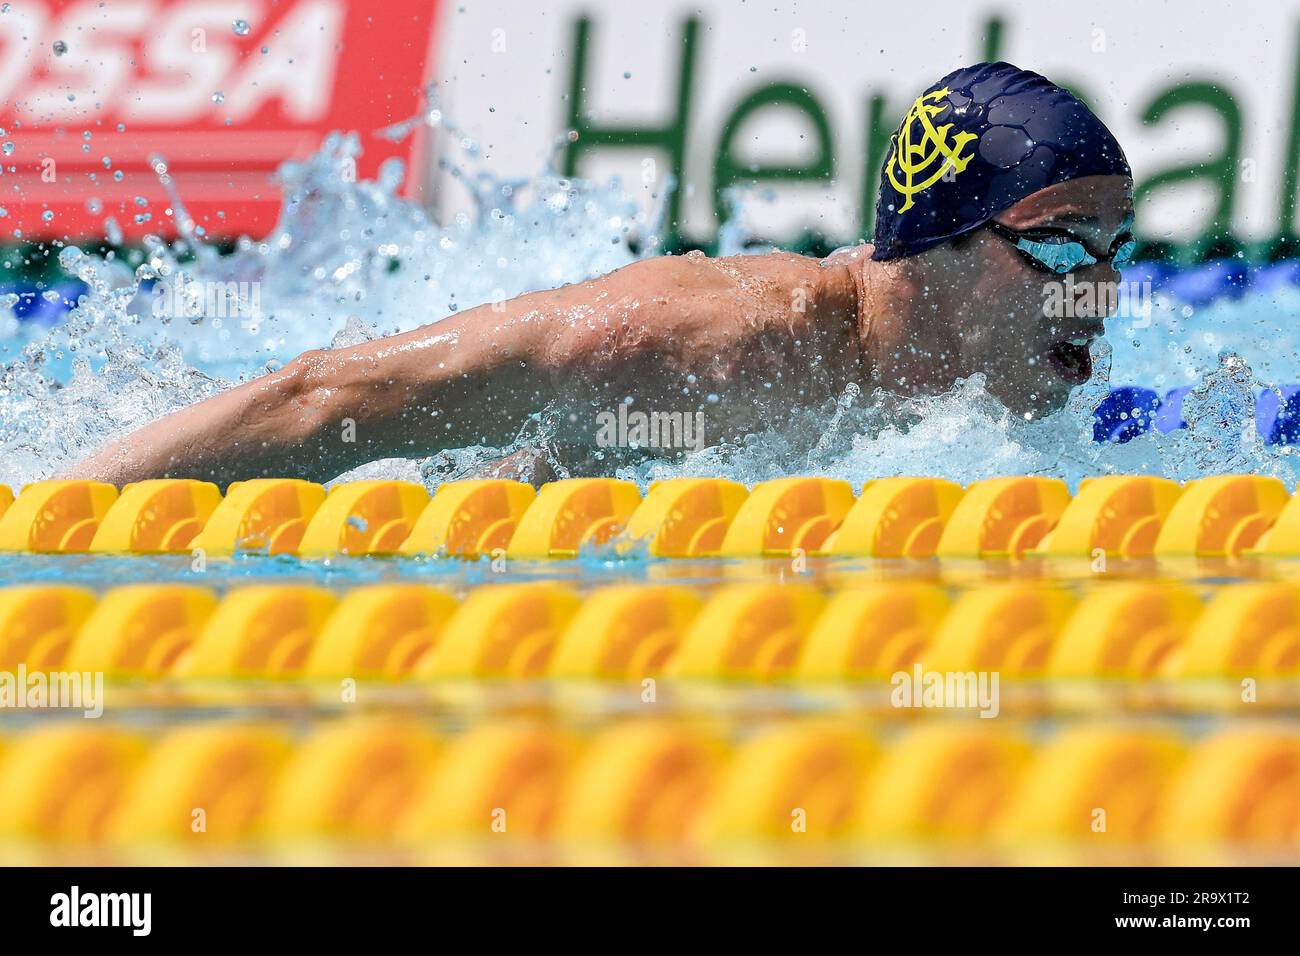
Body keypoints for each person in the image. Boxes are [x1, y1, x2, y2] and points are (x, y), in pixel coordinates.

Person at [67, 61, 1135, 487]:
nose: (1099, 289)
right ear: (931, 247)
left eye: (1115, 247)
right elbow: (331, 395)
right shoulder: (702, 347)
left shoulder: (985, 408)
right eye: (1056, 245)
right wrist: (59, 513)